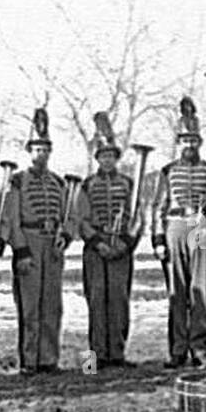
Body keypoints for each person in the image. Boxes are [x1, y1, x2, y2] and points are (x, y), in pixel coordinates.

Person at [0, 108, 70, 374]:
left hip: (52, 244)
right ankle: (29, 360)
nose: (41, 154)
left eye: (45, 149)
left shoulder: (58, 182)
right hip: (28, 242)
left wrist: (65, 237)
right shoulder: (17, 181)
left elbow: (68, 215)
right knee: (29, 306)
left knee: (52, 304)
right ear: (29, 151)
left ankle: (48, 358)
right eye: (37, 149)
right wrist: (21, 251)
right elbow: (11, 218)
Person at [150, 97, 206, 369]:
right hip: (175, 227)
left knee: (200, 290)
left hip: (202, 228)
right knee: (177, 292)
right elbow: (157, 206)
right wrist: (157, 240)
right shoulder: (167, 172)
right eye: (184, 140)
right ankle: (177, 348)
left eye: (193, 140)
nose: (189, 145)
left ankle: (200, 347)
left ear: (199, 142)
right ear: (178, 142)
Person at [75, 112, 140, 369]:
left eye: (111, 156)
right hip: (96, 248)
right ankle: (94, 357)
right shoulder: (87, 184)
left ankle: (117, 354)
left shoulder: (128, 184)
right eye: (103, 156)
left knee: (119, 300)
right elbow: (81, 218)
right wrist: (97, 242)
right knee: (96, 300)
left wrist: (125, 243)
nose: (107, 160)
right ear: (97, 159)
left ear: (117, 158)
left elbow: (137, 217)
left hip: (121, 249)